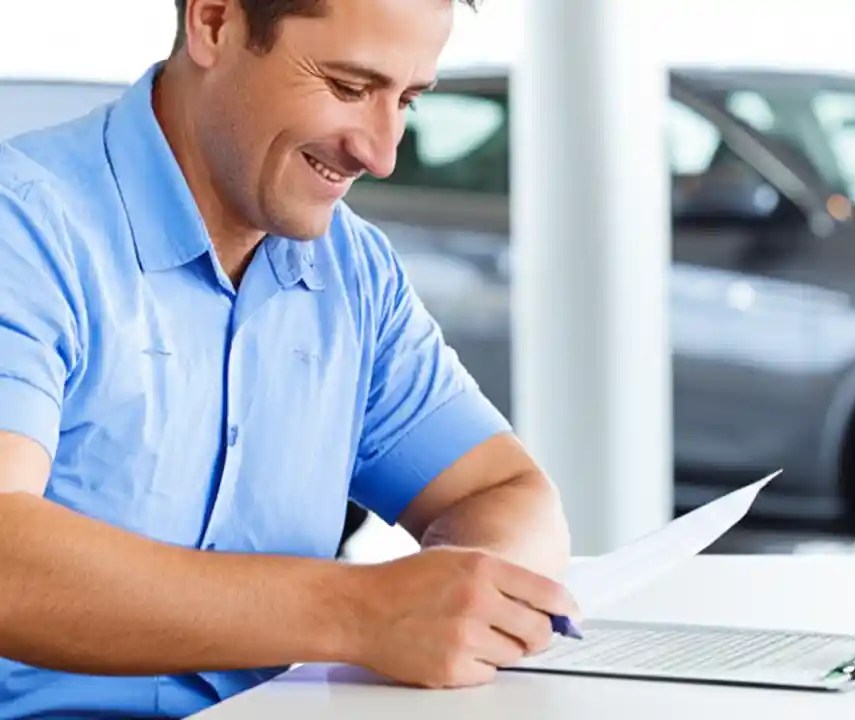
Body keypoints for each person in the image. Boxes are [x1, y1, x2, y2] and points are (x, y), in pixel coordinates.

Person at [0, 0, 579, 716]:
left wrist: (470, 608)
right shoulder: (25, 225)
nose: (381, 153)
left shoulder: (352, 270)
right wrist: (359, 612)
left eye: (407, 101)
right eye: (348, 87)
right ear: (215, 23)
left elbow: (504, 491)